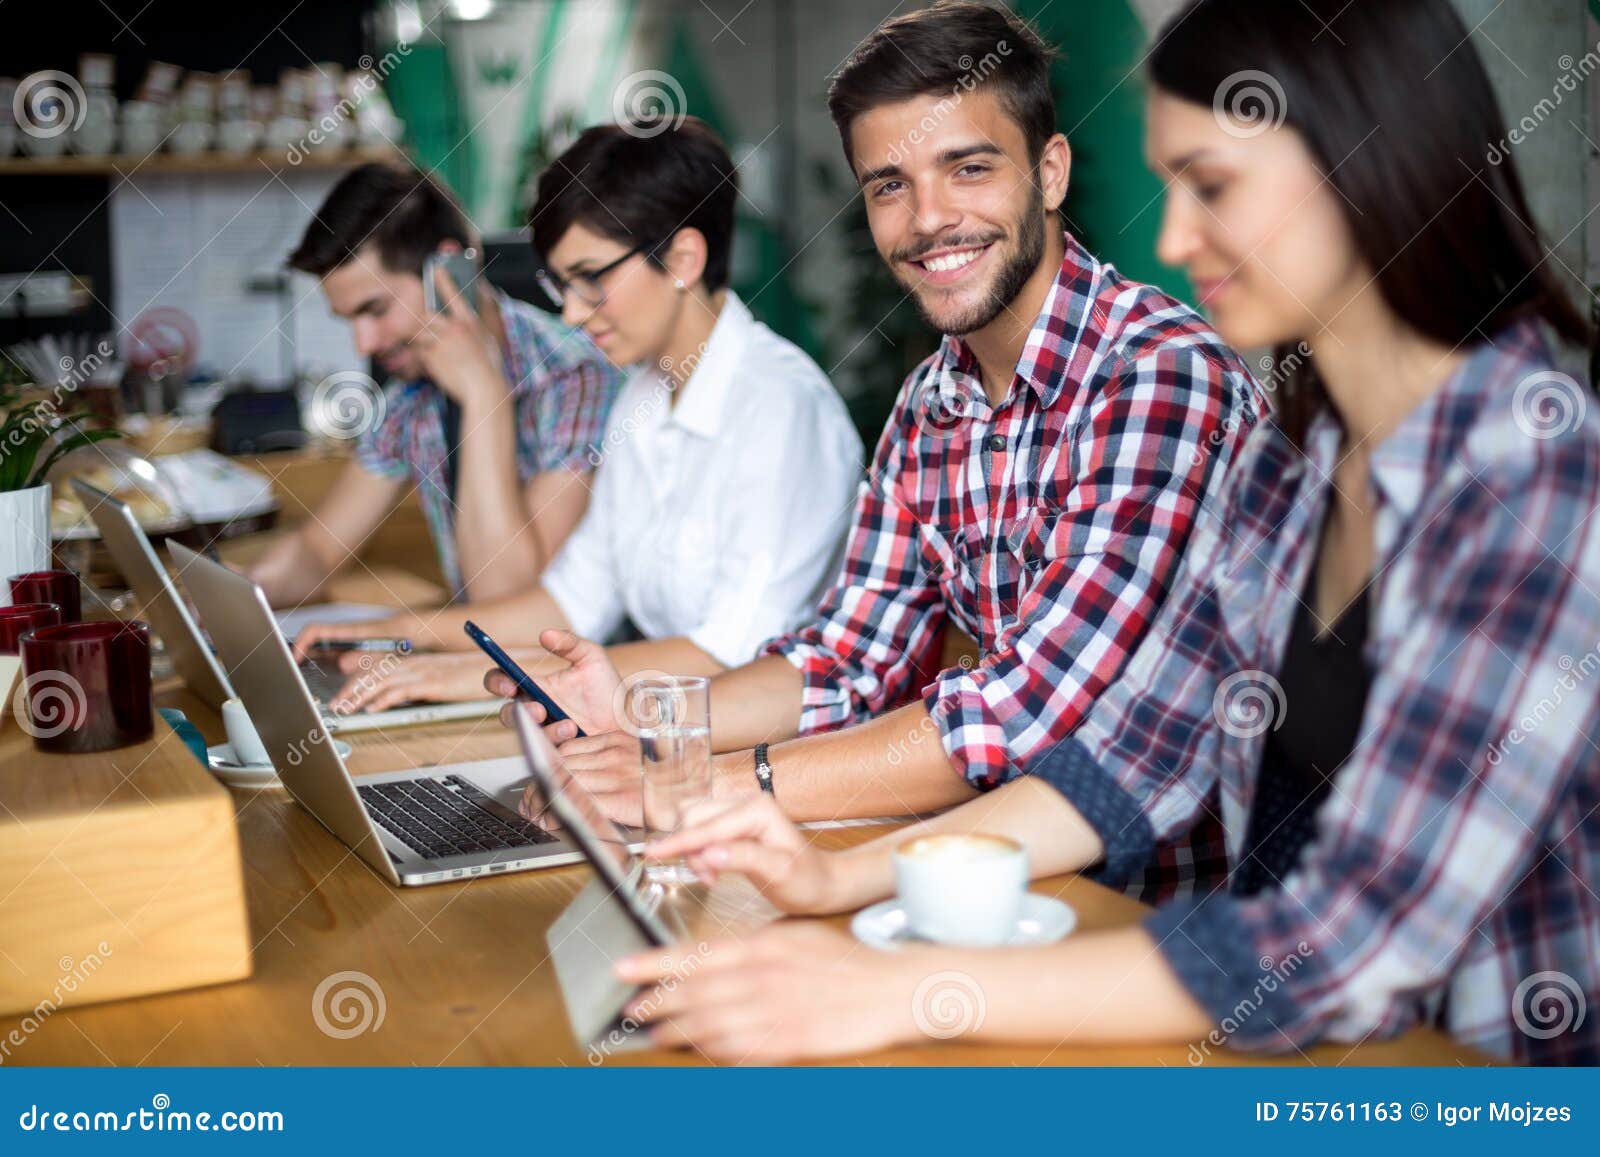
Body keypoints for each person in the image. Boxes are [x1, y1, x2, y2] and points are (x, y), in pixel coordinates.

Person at [598, 0, 1600, 1066]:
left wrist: (905, 985)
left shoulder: (1533, 478)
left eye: (1211, 185)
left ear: (1369, 158)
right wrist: (832, 874)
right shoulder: (1290, 464)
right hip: (1265, 1038)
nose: (1172, 238)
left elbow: (1353, 933)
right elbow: (1132, 756)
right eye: (1172, 187)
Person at [494, 2, 1263, 846]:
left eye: (968, 168)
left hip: (1162, 918)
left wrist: (689, 783)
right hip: (991, 873)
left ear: (1049, 173)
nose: (927, 218)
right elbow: (843, 659)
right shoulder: (929, 403)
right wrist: (654, 723)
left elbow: (1020, 711)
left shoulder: (1158, 376)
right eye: (889, 186)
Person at [291, 117, 863, 710]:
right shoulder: (643, 396)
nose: (570, 313)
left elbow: (728, 654)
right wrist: (403, 634)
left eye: (590, 280)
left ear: (684, 259)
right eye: (562, 285)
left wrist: (470, 676)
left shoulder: (779, 405)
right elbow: (570, 603)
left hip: (772, 755)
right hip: (672, 733)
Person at [249, 162, 620, 606]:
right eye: (350, 320)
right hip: (476, 660)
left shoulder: (577, 377)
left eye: (376, 309)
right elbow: (320, 549)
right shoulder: (410, 395)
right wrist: (238, 596)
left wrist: (484, 396)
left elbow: (505, 598)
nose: (364, 343)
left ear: (446, 271)